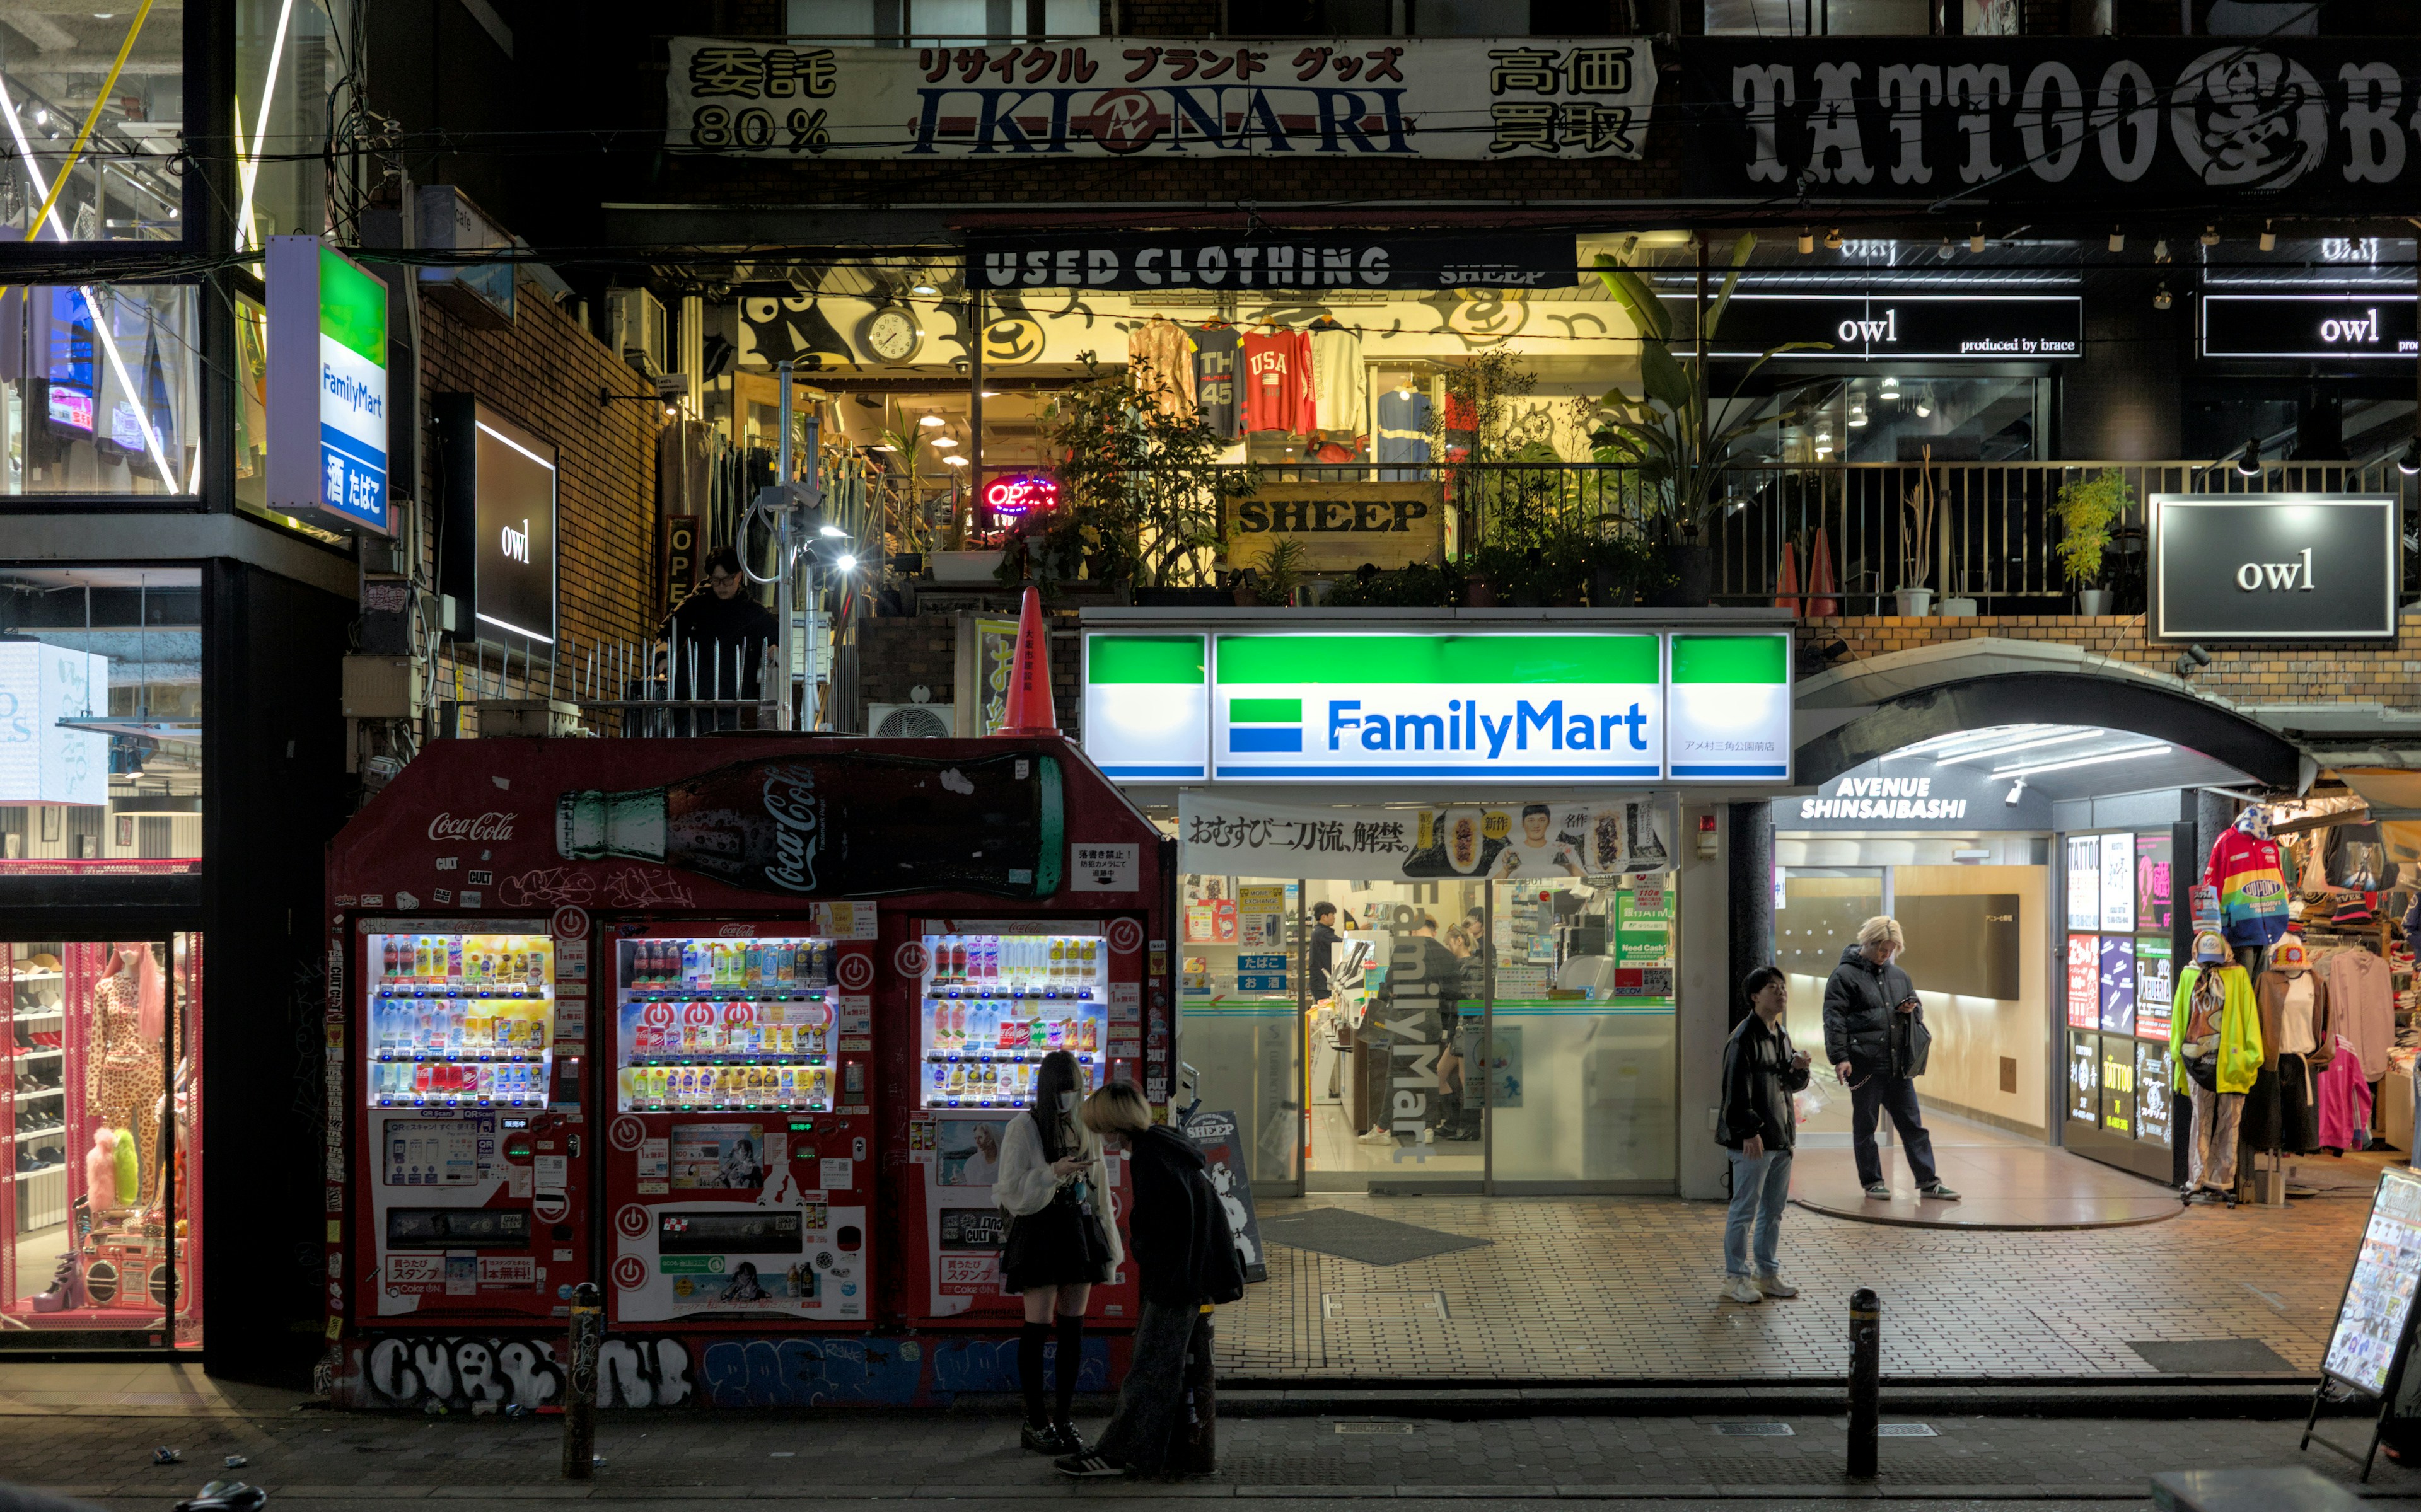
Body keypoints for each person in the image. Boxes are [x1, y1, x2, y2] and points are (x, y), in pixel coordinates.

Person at [1056, 1081, 1243, 1479]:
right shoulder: (1166, 1145)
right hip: (1188, 1277)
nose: (1100, 1136)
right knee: (1158, 1369)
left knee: (1151, 1370)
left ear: (1113, 1123)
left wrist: (1141, 1249)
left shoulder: (1148, 1158)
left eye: (1100, 1125)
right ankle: (1141, 1453)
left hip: (1176, 1282)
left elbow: (1161, 1228)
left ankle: (1121, 1454)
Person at [996, 1050, 1123, 1455]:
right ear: (1048, 1089)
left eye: (1076, 1089)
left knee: (1073, 1328)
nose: (1070, 1097)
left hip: (1078, 1228)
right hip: (1040, 1231)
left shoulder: (1084, 1126)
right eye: (1064, 1089)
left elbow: (1101, 1187)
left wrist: (1111, 1243)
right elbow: (1012, 1190)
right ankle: (1035, 1422)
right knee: (1037, 1327)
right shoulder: (1024, 1127)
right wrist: (1054, 1172)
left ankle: (1065, 1418)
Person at [1823, 915, 1960, 1202]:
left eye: (1891, 951)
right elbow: (1834, 1020)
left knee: (1913, 1126)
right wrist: (1840, 1057)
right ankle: (1872, 1182)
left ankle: (1929, 1181)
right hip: (1865, 1066)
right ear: (1867, 943)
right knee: (1866, 1127)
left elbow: (1917, 1011)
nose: (1886, 956)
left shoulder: (1899, 975)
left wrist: (1911, 1010)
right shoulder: (1844, 977)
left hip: (1898, 1066)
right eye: (1882, 949)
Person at [1718, 966, 1811, 1304]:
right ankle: (1736, 1277)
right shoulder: (1744, 1037)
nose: (1781, 992)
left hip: (1781, 1138)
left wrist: (1800, 1070)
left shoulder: (1781, 1034)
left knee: (1773, 1211)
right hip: (1755, 1140)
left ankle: (1766, 1273)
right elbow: (1735, 1091)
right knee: (1744, 1210)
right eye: (1773, 988)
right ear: (1756, 997)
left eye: (1783, 986)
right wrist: (1748, 1132)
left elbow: (1789, 1085)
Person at [660, 546, 779, 730]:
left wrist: (775, 648)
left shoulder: (753, 613)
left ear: (739, 576)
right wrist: (664, 657)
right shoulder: (695, 605)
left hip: (733, 699)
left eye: (727, 580)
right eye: (716, 581)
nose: (722, 587)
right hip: (692, 698)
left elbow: (778, 639)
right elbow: (668, 631)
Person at [1308, 903, 1342, 1001]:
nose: (1334, 918)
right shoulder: (1322, 933)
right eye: (1332, 915)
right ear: (1324, 917)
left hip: (1321, 983)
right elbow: (1342, 944)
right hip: (1322, 984)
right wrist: (1359, 931)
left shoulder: (1320, 931)